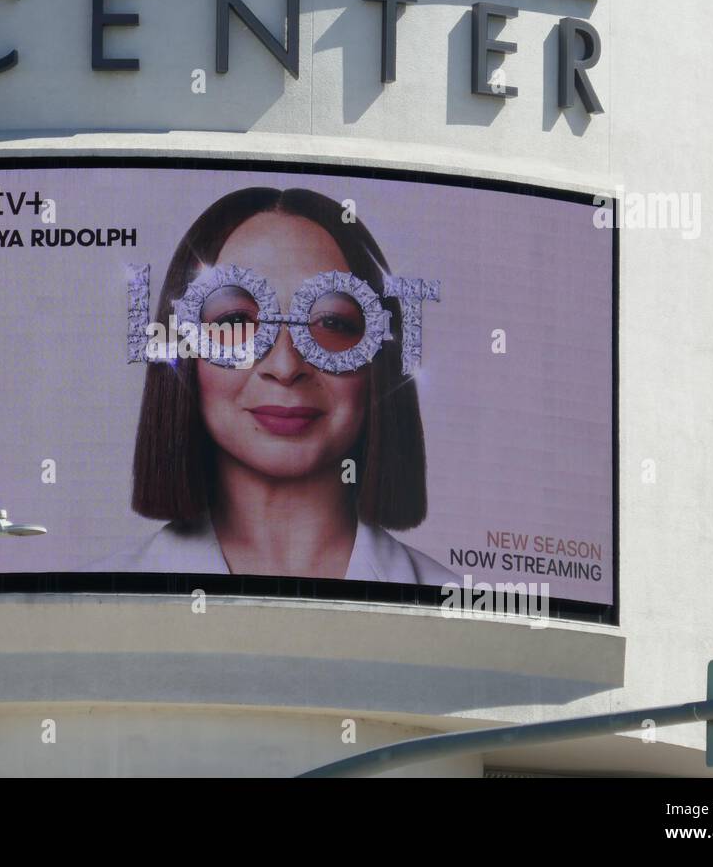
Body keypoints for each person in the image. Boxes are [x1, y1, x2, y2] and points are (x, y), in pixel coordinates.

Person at [91, 186, 455, 586]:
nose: (285, 366)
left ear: (379, 361)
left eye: (331, 323)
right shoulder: (96, 602)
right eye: (234, 322)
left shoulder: (465, 614)